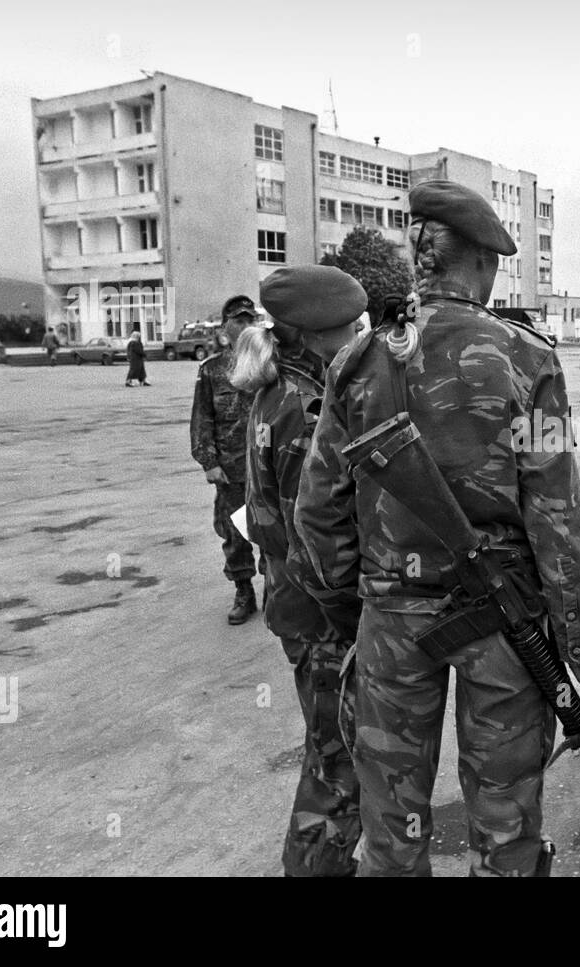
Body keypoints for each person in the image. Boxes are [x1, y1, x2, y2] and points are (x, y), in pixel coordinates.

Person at [292, 180, 580, 877]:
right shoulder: (528, 360)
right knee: (505, 824)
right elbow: (557, 520)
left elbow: (315, 513)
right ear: (485, 263)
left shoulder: (357, 359)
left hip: (392, 621)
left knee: (392, 829)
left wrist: (361, 607)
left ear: (420, 259)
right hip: (502, 623)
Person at [232, 265, 371, 877]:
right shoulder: (305, 408)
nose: (362, 337)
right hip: (321, 617)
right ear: (318, 336)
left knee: (334, 751)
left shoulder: (277, 392)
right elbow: (317, 536)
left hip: (294, 603)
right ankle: (314, 869)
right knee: (340, 763)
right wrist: (357, 617)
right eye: (353, 328)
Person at [190, 295, 260, 624]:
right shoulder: (212, 370)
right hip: (231, 469)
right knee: (236, 534)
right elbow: (202, 419)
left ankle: (277, 589)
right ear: (224, 328)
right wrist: (209, 462)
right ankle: (244, 590)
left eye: (251, 320)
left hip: (269, 467)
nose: (245, 326)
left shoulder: (270, 363)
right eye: (238, 321)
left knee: (279, 531)